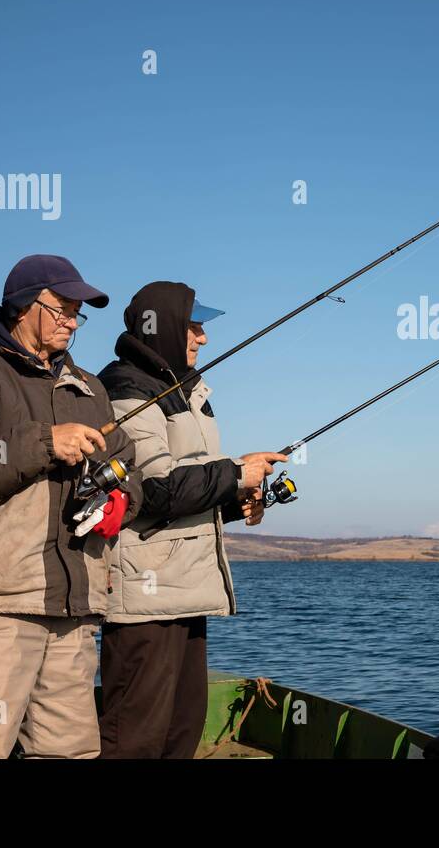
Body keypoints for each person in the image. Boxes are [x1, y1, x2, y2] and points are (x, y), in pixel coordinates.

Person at [0, 254, 141, 758]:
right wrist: (44, 443)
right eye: (62, 308)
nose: (71, 321)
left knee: (69, 753)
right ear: (24, 306)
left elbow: (131, 467)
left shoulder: (90, 388)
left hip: (74, 607)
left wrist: (119, 504)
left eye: (77, 312)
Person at [96, 280, 286, 758]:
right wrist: (236, 473)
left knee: (183, 727)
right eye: (195, 327)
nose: (203, 338)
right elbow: (154, 488)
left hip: (186, 586)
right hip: (145, 590)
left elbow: (186, 488)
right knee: (134, 734)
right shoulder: (125, 390)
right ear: (162, 329)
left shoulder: (185, 390)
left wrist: (233, 500)